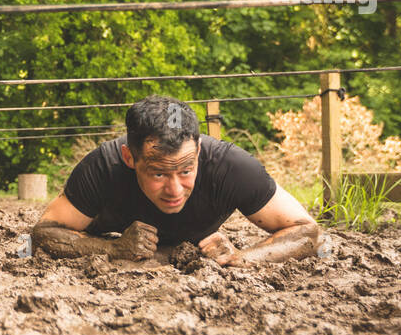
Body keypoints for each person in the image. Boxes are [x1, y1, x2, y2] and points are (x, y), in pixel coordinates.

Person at [31, 95, 321, 265]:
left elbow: (306, 231)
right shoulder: (103, 166)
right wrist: (112, 249)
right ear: (130, 158)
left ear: (198, 151)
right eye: (158, 173)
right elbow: (44, 233)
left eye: (186, 170)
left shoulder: (229, 166)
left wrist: (242, 258)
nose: (175, 190)